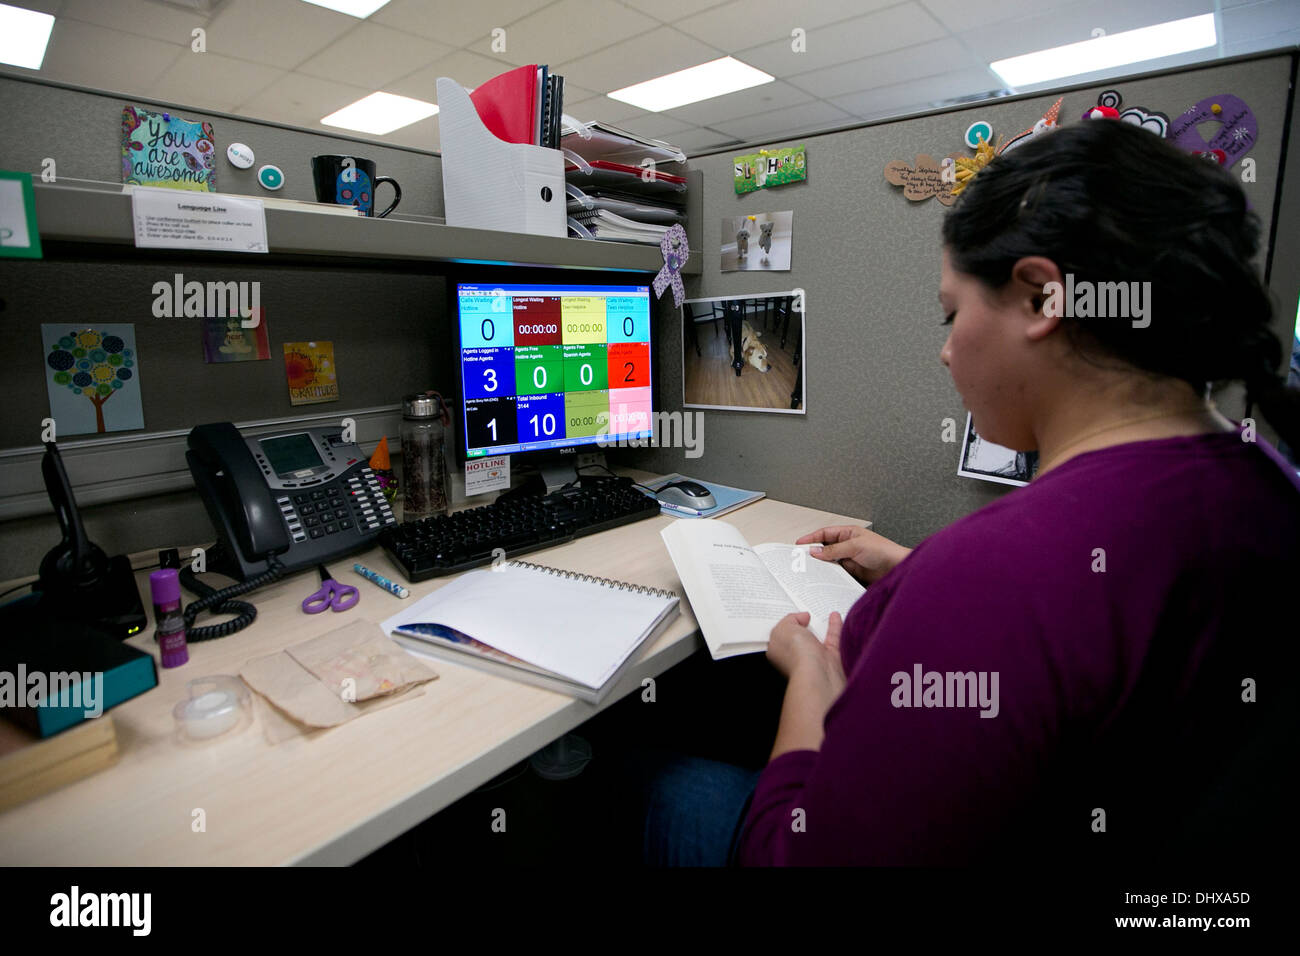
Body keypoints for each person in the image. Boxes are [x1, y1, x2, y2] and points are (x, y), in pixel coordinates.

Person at [641, 119, 1300, 866]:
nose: (946, 348)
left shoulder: (1000, 573)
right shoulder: (1267, 486)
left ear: (1043, 298)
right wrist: (917, 568)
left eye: (954, 313)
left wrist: (813, 686)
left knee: (673, 784)